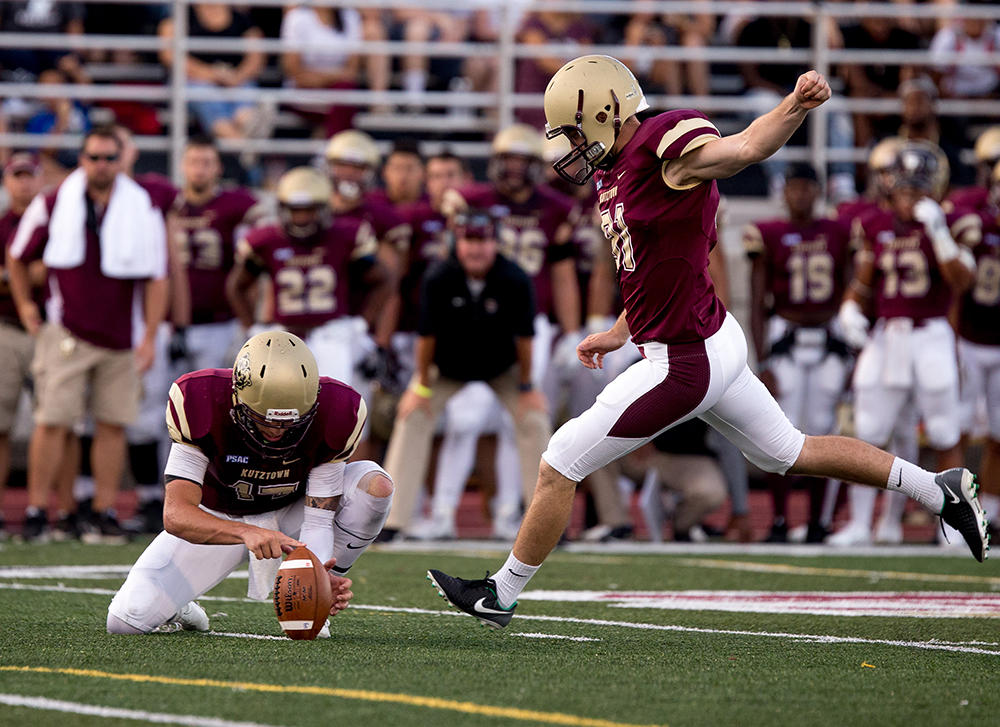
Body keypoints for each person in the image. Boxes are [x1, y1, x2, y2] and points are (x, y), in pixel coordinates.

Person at [428, 55, 989, 630]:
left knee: (559, 462)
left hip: (686, 359)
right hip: (710, 338)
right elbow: (654, 265)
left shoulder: (660, 143)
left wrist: (793, 105)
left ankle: (499, 592)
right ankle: (939, 489)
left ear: (603, 111)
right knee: (789, 452)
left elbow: (745, 149)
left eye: (574, 130)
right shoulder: (614, 170)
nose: (570, 145)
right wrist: (622, 329)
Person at [106, 331, 393, 635]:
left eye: (290, 421)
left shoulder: (337, 409)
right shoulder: (200, 399)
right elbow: (176, 515)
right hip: (219, 517)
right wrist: (245, 532)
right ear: (238, 396)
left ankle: (326, 581)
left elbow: (319, 520)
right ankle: (179, 606)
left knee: (374, 486)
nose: (278, 431)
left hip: (290, 512)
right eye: (265, 419)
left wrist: (316, 582)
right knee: (126, 622)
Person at [7, 127, 169, 543]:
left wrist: (149, 335)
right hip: (68, 328)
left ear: (121, 160)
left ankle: (102, 510)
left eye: (109, 158)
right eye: (94, 157)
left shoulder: (141, 205)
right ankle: (38, 510)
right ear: (81, 159)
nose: (101, 165)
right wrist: (27, 305)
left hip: (120, 334)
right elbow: (19, 253)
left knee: (112, 425)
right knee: (53, 422)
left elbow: (156, 275)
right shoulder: (55, 199)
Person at [833, 141, 981, 547]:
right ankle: (861, 522)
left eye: (919, 188)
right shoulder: (878, 225)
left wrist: (937, 231)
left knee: (944, 433)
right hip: (888, 335)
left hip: (931, 334)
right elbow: (863, 282)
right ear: (890, 187)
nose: (911, 196)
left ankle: (953, 527)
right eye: (905, 188)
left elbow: (962, 281)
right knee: (869, 432)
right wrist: (850, 310)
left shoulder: (950, 221)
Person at [381, 208, 551, 536]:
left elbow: (525, 338)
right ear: (455, 243)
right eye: (468, 240)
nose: (475, 249)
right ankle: (394, 519)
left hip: (502, 367)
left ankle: (545, 522)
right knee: (412, 416)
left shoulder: (514, 278)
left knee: (535, 420)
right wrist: (422, 387)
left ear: (495, 243)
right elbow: (426, 337)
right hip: (448, 368)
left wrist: (528, 386)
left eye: (483, 241)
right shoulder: (438, 277)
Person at [743, 163, 854, 543]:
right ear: (783, 191)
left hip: (829, 337)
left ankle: (819, 522)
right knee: (780, 431)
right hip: (785, 338)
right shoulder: (768, 233)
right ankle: (778, 520)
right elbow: (757, 302)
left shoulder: (839, 231)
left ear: (819, 192)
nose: (801, 194)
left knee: (824, 430)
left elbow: (850, 292)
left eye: (807, 187)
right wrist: (762, 361)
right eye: (794, 186)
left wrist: (853, 350)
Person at [227, 167, 395, 393]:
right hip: (283, 335)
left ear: (323, 208)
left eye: (309, 210)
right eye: (296, 210)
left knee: (339, 400)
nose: (302, 218)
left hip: (331, 333)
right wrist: (252, 328)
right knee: (279, 404)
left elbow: (384, 280)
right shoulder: (267, 240)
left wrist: (361, 323)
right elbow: (235, 287)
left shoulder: (344, 236)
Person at [0, 153, 44, 539]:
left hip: (52, 328)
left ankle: (44, 509)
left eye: (30, 176)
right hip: (9, 326)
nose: (24, 184)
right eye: (18, 176)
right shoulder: (3, 226)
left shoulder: (54, 224)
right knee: (1, 422)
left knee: (55, 424)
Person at [955, 160, 1000, 533]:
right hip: (971, 339)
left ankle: (994, 512)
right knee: (959, 429)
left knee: (999, 433)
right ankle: (960, 506)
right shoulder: (976, 225)